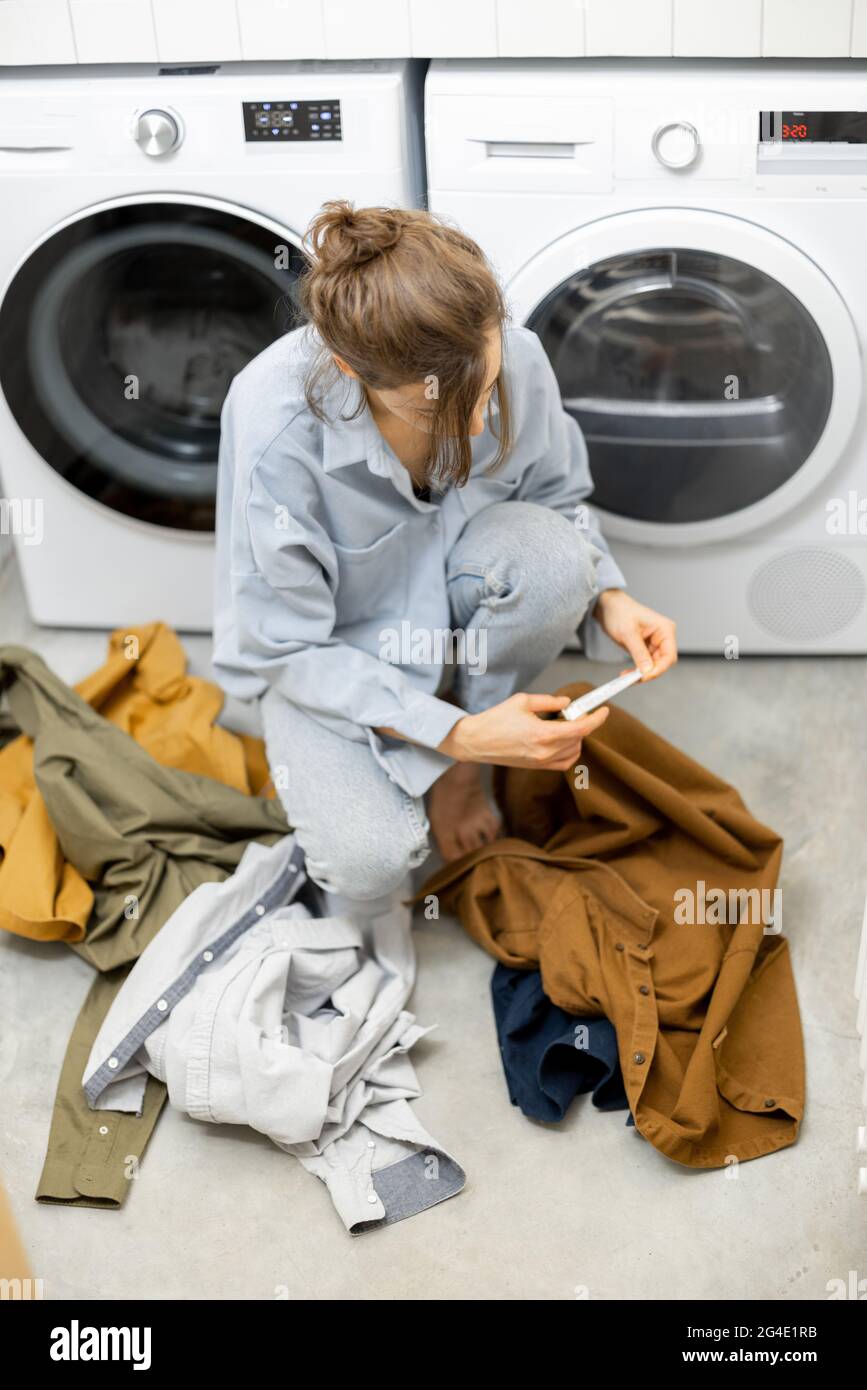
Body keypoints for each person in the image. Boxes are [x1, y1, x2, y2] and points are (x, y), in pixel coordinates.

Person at [213, 201, 677, 902]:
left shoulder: (512, 351)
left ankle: (463, 766)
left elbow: (557, 494)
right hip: (333, 658)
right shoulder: (275, 430)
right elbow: (286, 646)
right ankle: (459, 740)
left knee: (558, 563)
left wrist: (609, 596)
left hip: (460, 596)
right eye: (436, 411)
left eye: (486, 388)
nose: (475, 423)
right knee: (369, 870)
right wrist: (457, 733)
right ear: (347, 367)